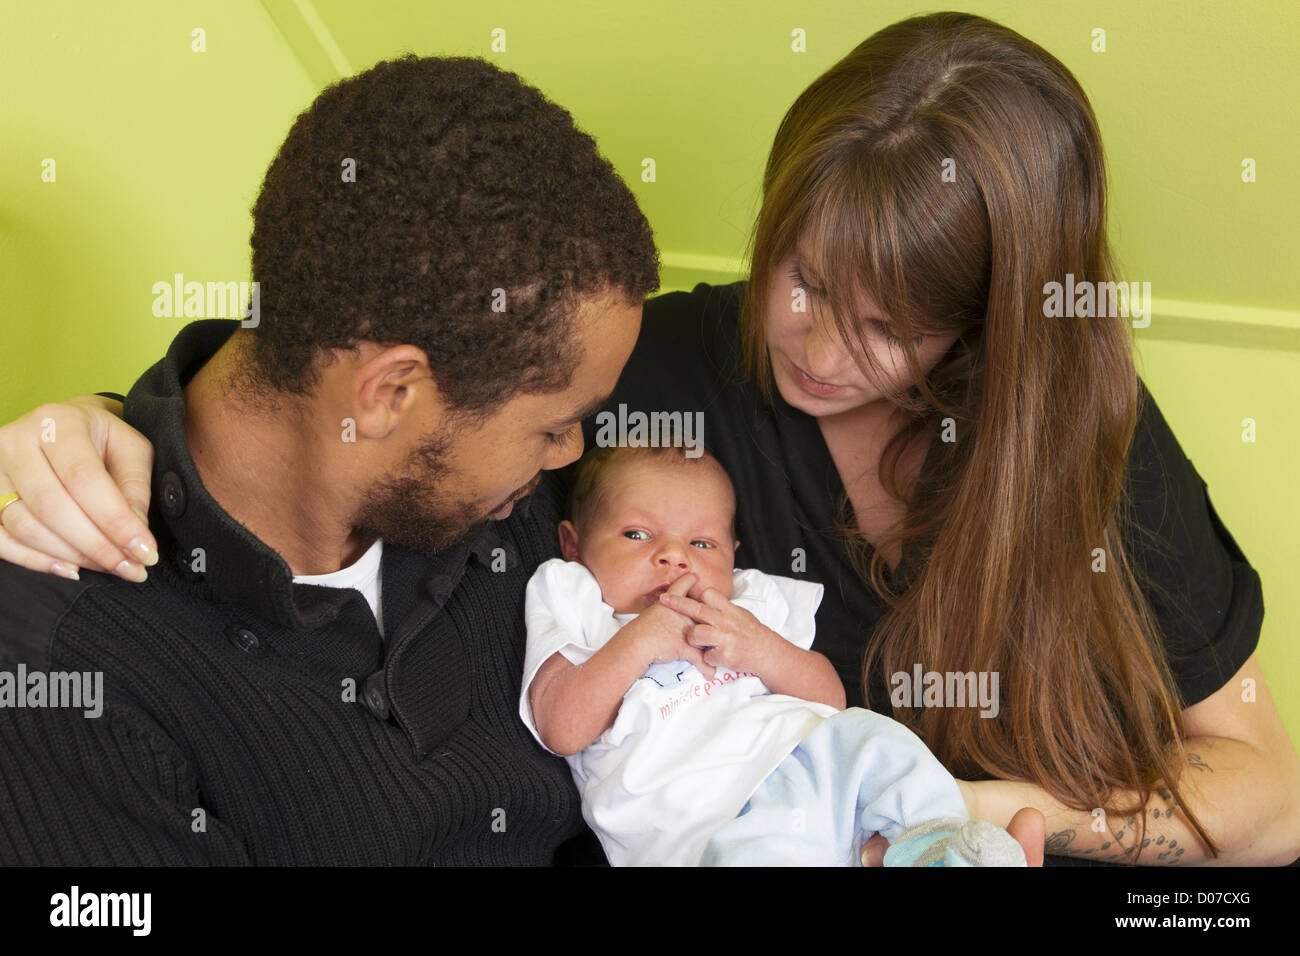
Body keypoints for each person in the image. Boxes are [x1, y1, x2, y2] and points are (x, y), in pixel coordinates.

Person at [4, 12, 1297, 865]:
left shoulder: (1074, 432)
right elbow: (343, 394)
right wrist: (106, 430)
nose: (817, 348)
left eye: (888, 328)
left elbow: (1270, 798)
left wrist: (1003, 818)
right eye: (800, 275)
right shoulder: (642, 385)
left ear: (983, 338)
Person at [0, 53, 658, 864]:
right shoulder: (63, 674)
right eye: (555, 427)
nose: (574, 453)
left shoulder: (494, 477)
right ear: (389, 394)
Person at [523, 444, 1026, 866]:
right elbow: (561, 728)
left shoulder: (748, 600)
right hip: (714, 823)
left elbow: (830, 697)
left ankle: (934, 846)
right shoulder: (576, 596)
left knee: (876, 740)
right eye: (637, 534)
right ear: (574, 543)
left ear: (733, 555)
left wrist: (761, 647)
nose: (674, 557)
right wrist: (643, 638)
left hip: (815, 765)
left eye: (701, 543)